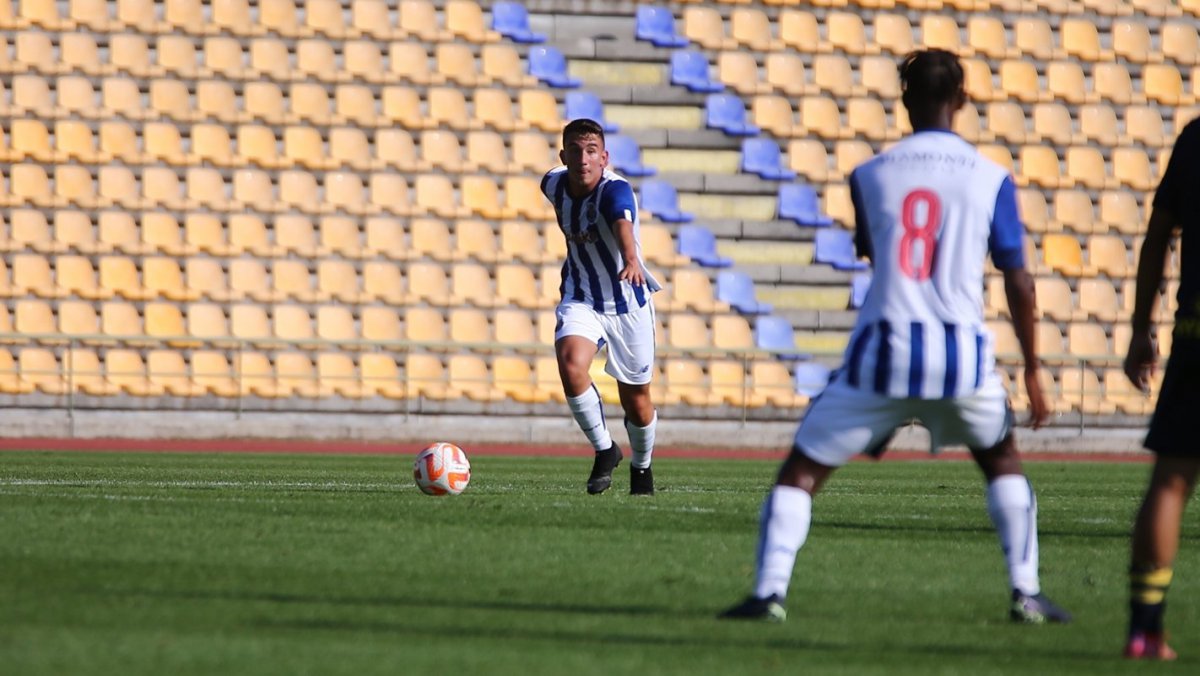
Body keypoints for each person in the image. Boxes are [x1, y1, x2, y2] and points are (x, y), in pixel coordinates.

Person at [719, 49, 1070, 624]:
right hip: (961, 355)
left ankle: (768, 593)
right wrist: (1032, 367)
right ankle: (1026, 592)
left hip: (883, 349)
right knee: (1002, 458)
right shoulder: (992, 178)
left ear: (904, 99)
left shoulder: (869, 174)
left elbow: (877, 251)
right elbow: (1020, 279)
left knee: (802, 473)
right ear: (962, 100)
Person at [540, 118, 662, 495]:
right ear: (563, 156)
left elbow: (623, 222)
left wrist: (631, 259)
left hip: (628, 302)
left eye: (592, 151)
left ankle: (641, 469)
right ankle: (605, 449)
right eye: (575, 151)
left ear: (604, 157)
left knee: (637, 400)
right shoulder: (552, 183)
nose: (583, 159)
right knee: (571, 362)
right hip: (581, 297)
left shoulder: (616, 191)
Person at [1121, 118, 1200, 660]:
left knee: (1171, 480)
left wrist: (1139, 328)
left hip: (1197, 334)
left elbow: (1157, 238)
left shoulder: (1196, 139)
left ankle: (1145, 631)